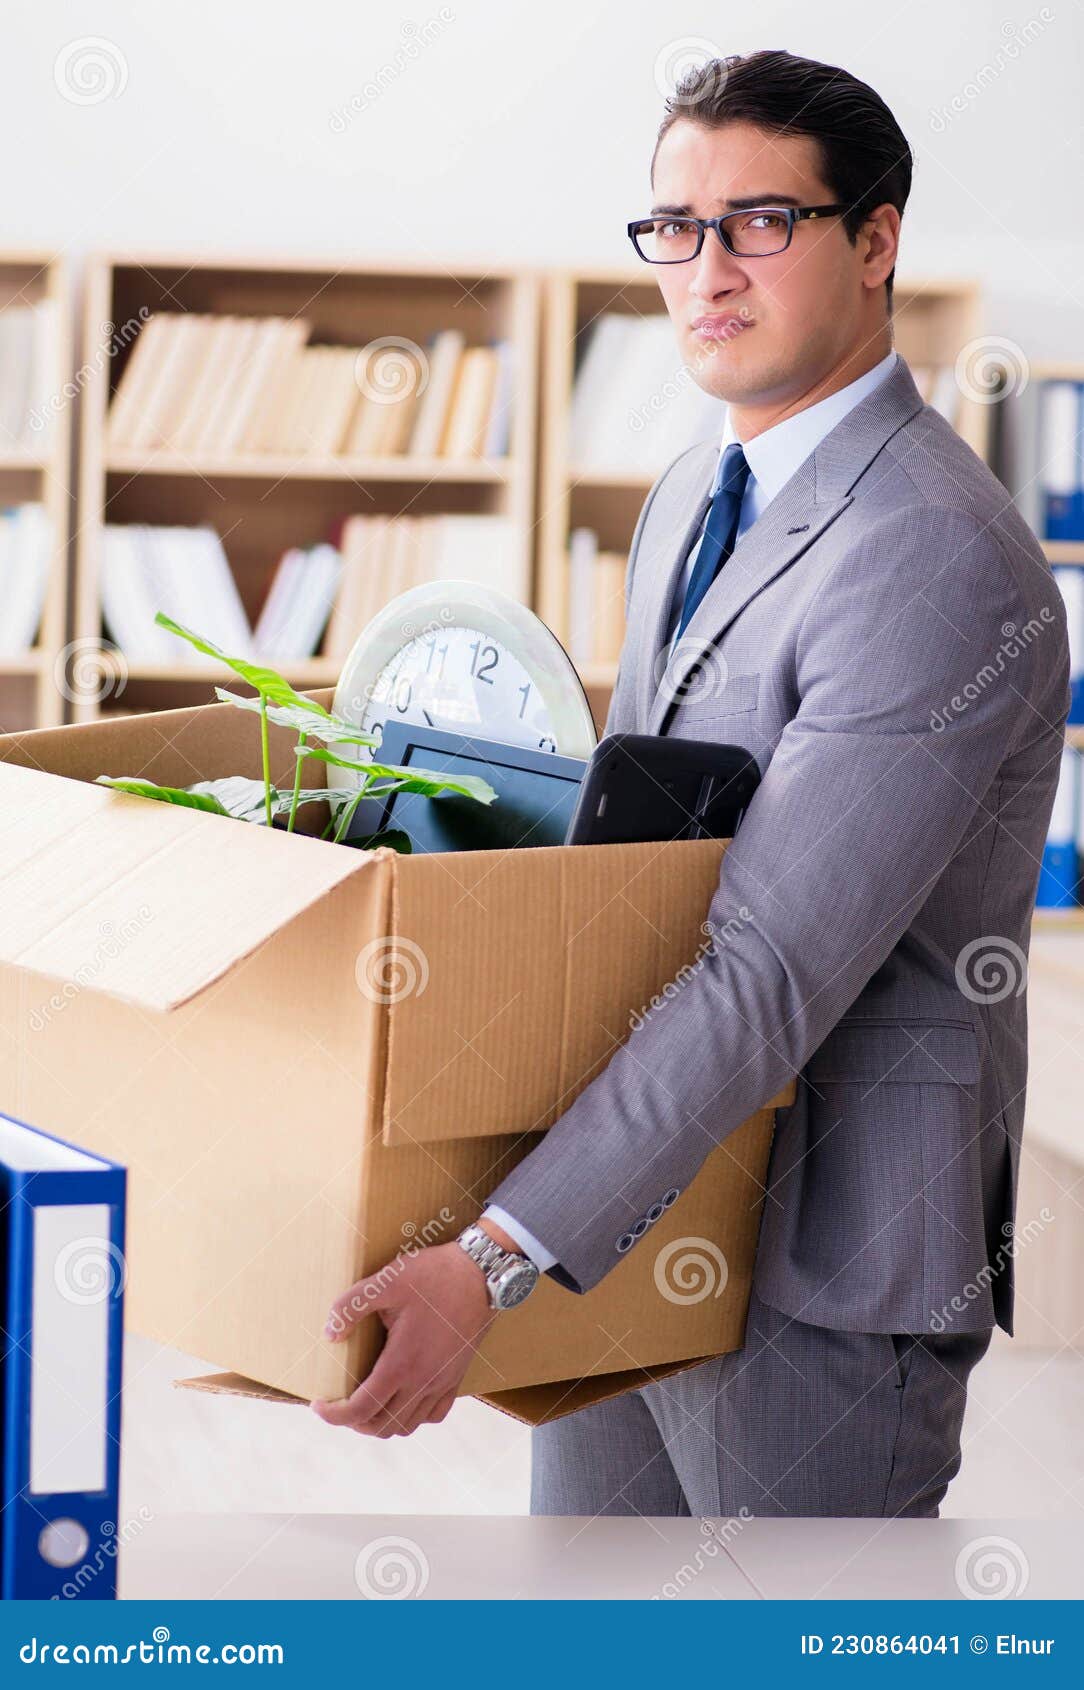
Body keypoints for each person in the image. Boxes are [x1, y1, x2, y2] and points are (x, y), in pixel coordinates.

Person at [312, 48, 1069, 1519]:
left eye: (760, 222)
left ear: (876, 241)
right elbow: (642, 864)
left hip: (827, 1254)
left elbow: (769, 964)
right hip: (637, 1209)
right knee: (587, 1622)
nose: (706, 270)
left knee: (781, 1633)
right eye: (676, 226)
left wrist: (496, 1255)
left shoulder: (932, 552)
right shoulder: (684, 498)